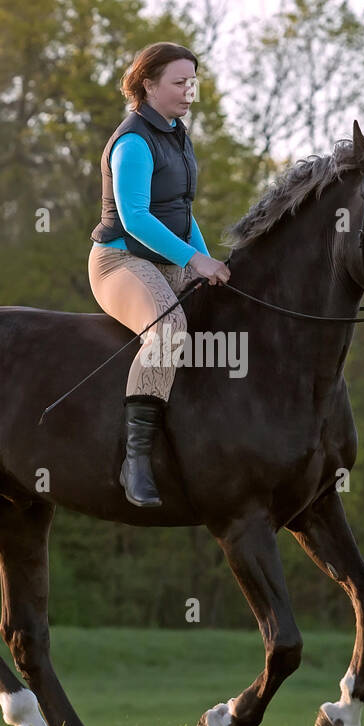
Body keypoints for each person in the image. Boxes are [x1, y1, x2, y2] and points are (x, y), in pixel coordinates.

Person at [89, 42, 231, 508]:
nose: (189, 91)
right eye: (179, 82)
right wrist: (195, 261)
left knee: (229, 312)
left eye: (193, 82)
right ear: (148, 85)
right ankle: (136, 462)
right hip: (120, 262)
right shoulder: (133, 141)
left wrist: (210, 264)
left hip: (170, 259)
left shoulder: (177, 134)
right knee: (170, 331)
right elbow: (136, 219)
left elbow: (182, 213)